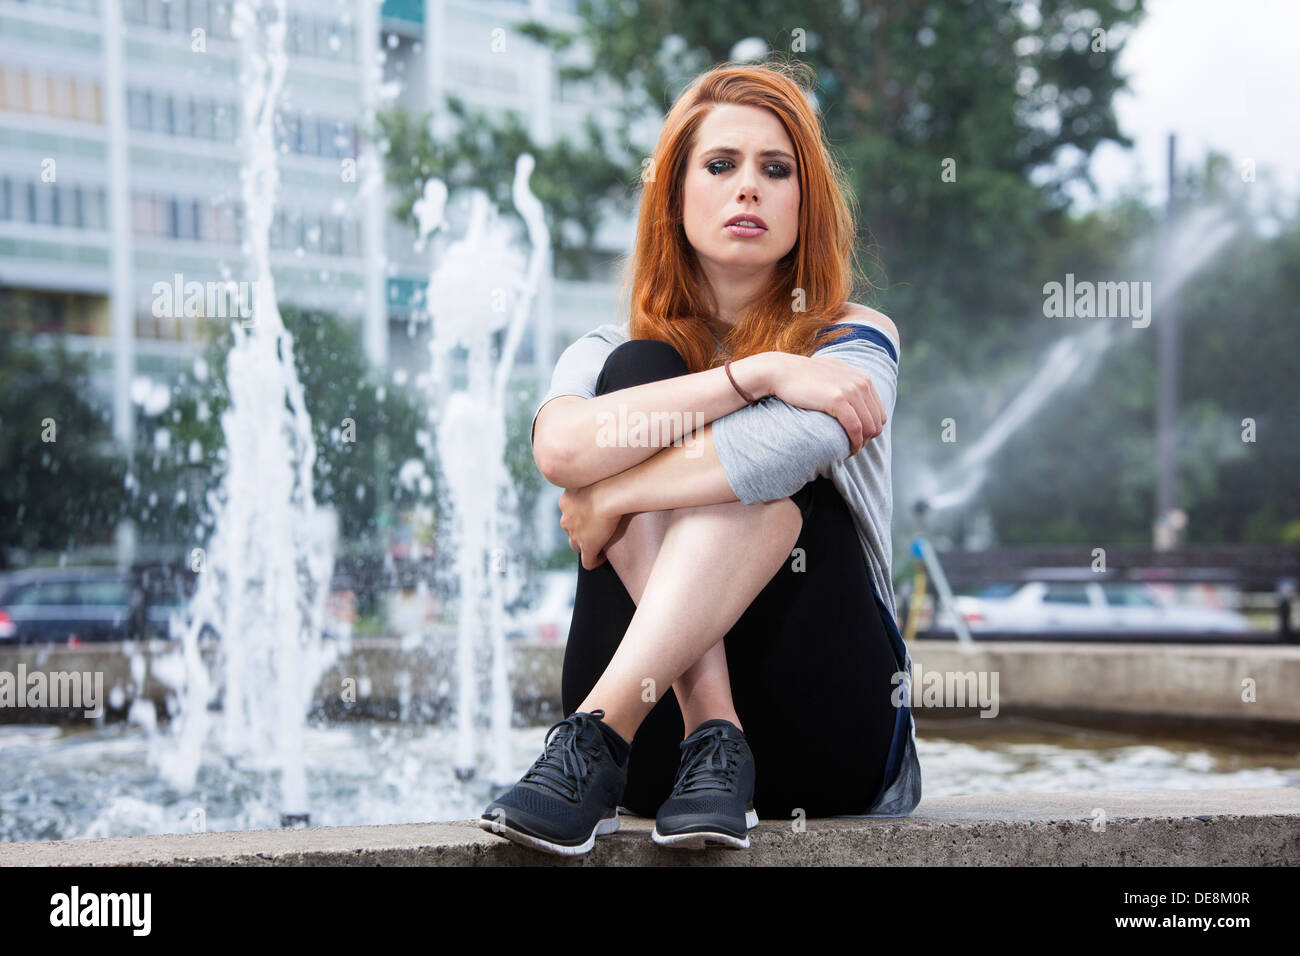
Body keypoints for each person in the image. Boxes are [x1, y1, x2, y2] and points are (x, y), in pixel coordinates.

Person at [479, 59, 921, 857]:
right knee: (641, 376)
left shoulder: (856, 336)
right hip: (652, 761)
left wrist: (612, 499)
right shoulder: (603, 349)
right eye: (720, 166)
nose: (747, 187)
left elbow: (797, 444)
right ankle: (710, 730)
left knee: (777, 486)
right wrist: (758, 373)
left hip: (824, 732)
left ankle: (592, 735)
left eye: (775, 170)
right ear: (675, 195)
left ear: (802, 202)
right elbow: (563, 449)